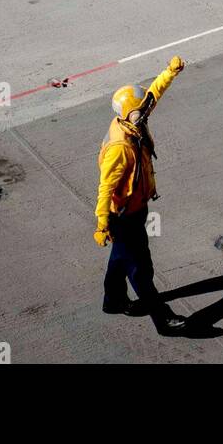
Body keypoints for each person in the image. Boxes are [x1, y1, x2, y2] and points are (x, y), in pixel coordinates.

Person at [95, 55, 187, 334]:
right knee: (140, 267)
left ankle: (113, 301)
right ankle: (163, 320)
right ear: (130, 113)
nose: (147, 111)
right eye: (141, 110)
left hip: (136, 209)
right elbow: (105, 187)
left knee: (120, 258)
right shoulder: (120, 147)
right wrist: (102, 224)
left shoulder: (133, 120)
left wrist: (170, 72)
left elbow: (152, 94)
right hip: (123, 216)